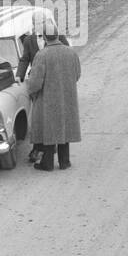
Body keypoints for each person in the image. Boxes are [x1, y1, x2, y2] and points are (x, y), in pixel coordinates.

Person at [27, 19, 81, 171]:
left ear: (44, 37)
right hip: (67, 96)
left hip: (47, 99)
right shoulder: (71, 52)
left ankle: (47, 163)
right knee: (63, 126)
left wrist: (32, 92)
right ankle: (65, 162)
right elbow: (77, 74)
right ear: (58, 35)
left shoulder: (42, 55)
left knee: (49, 129)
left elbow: (35, 82)